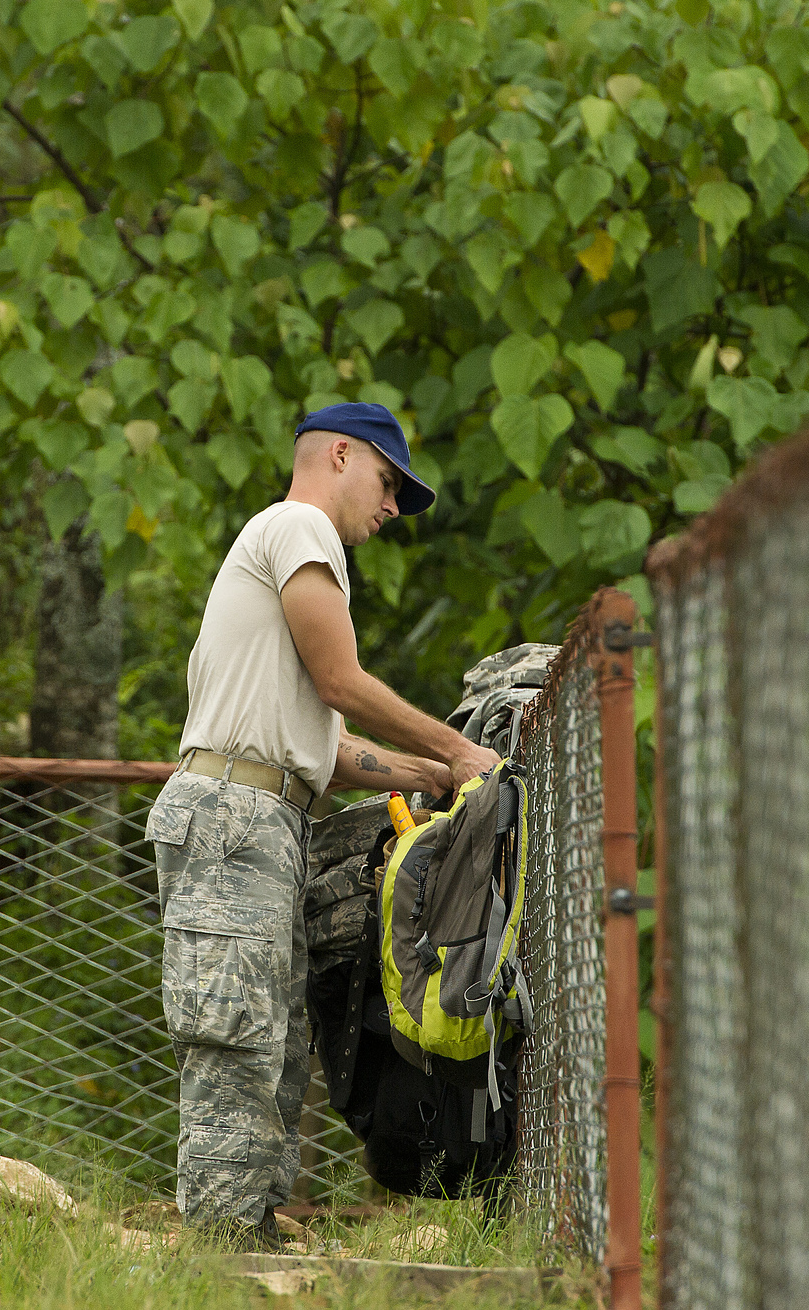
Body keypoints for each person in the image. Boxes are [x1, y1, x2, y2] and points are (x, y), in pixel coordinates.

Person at [143, 400, 502, 1247]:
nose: (389, 508)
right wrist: (459, 745)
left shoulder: (284, 546)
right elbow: (341, 680)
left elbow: (329, 748)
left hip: (264, 813)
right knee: (235, 1034)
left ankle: (251, 1226)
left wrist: (438, 771)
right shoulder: (302, 527)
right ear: (338, 454)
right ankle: (223, 1249)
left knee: (271, 1036)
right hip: (237, 815)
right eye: (387, 482)